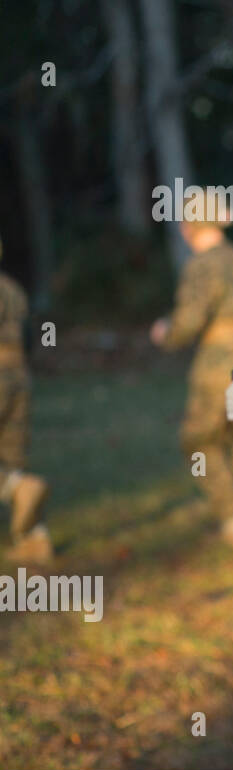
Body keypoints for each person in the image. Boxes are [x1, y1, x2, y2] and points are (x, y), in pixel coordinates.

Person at [150, 196, 233, 547]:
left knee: (198, 444)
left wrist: (167, 332)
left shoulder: (200, 266)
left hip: (215, 365)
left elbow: (190, 320)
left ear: (189, 227)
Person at [0, 237, 51, 565]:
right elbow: (31, 338)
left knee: (13, 475)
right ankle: (33, 537)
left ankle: (16, 487)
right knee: (12, 454)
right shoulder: (13, 289)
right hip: (18, 375)